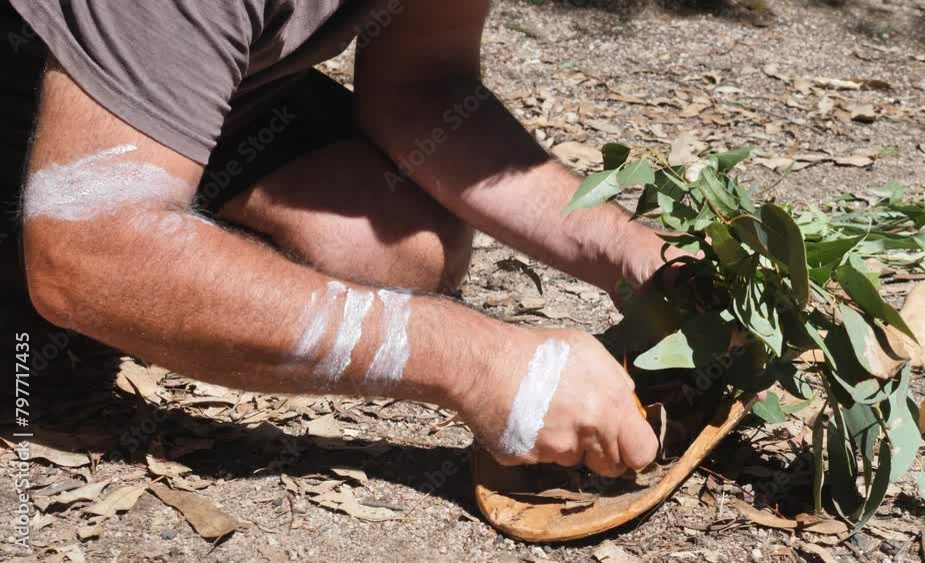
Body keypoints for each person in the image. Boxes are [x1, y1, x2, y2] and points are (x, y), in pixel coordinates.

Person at [5, 0, 690, 478]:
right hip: (30, 92)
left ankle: (173, 210)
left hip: (199, 80)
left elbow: (422, 85)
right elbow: (87, 250)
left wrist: (625, 250)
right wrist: (479, 360)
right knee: (64, 329)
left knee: (395, 252)